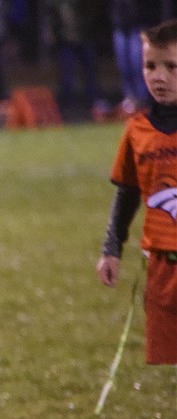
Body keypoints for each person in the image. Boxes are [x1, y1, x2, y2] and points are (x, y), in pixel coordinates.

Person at [96, 19, 177, 366]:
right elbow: (127, 191)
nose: (158, 77)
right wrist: (112, 248)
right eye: (150, 66)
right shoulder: (137, 131)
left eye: (171, 67)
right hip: (162, 267)